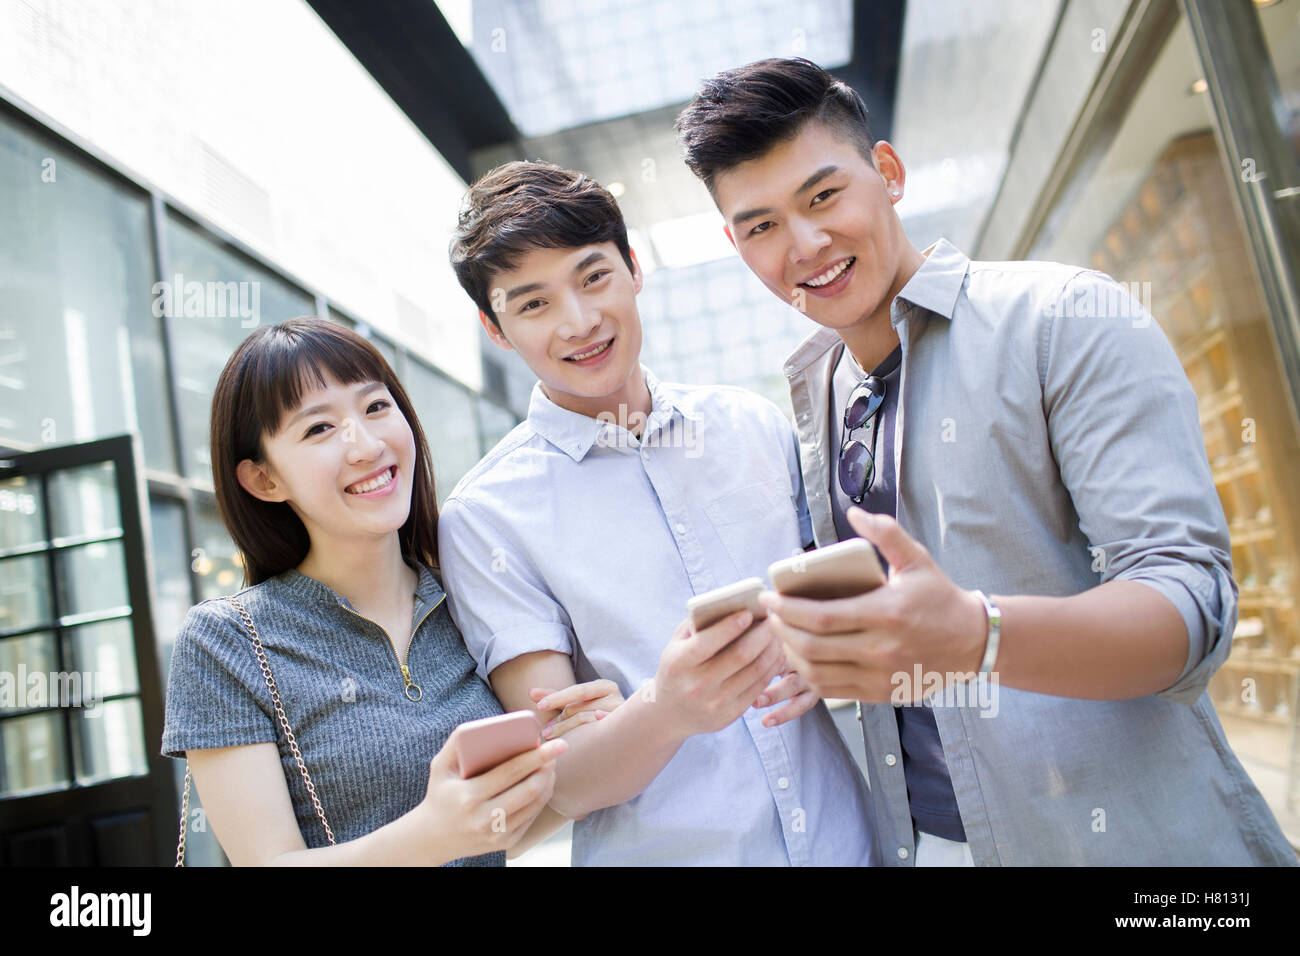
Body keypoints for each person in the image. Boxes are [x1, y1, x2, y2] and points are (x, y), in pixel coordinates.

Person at [673, 56, 1297, 866]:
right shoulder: (818, 390)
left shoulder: (1063, 316)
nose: (806, 244)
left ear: (887, 173)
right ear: (735, 242)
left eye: (824, 196)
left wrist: (977, 636)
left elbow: (1191, 607)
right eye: (761, 226)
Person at [439, 160, 875, 866]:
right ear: (495, 328)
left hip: (850, 846)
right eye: (532, 304)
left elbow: (845, 621)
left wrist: (822, 650)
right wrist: (668, 709)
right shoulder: (487, 518)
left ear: (634, 268)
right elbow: (559, 777)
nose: (579, 323)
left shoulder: (751, 426)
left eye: (593, 277)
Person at [160, 317, 618, 865]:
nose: (366, 445)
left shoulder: (467, 591)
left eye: (376, 407)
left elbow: (504, 830)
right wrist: (433, 833)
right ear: (264, 479)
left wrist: (589, 745)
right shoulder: (228, 641)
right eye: (318, 429)